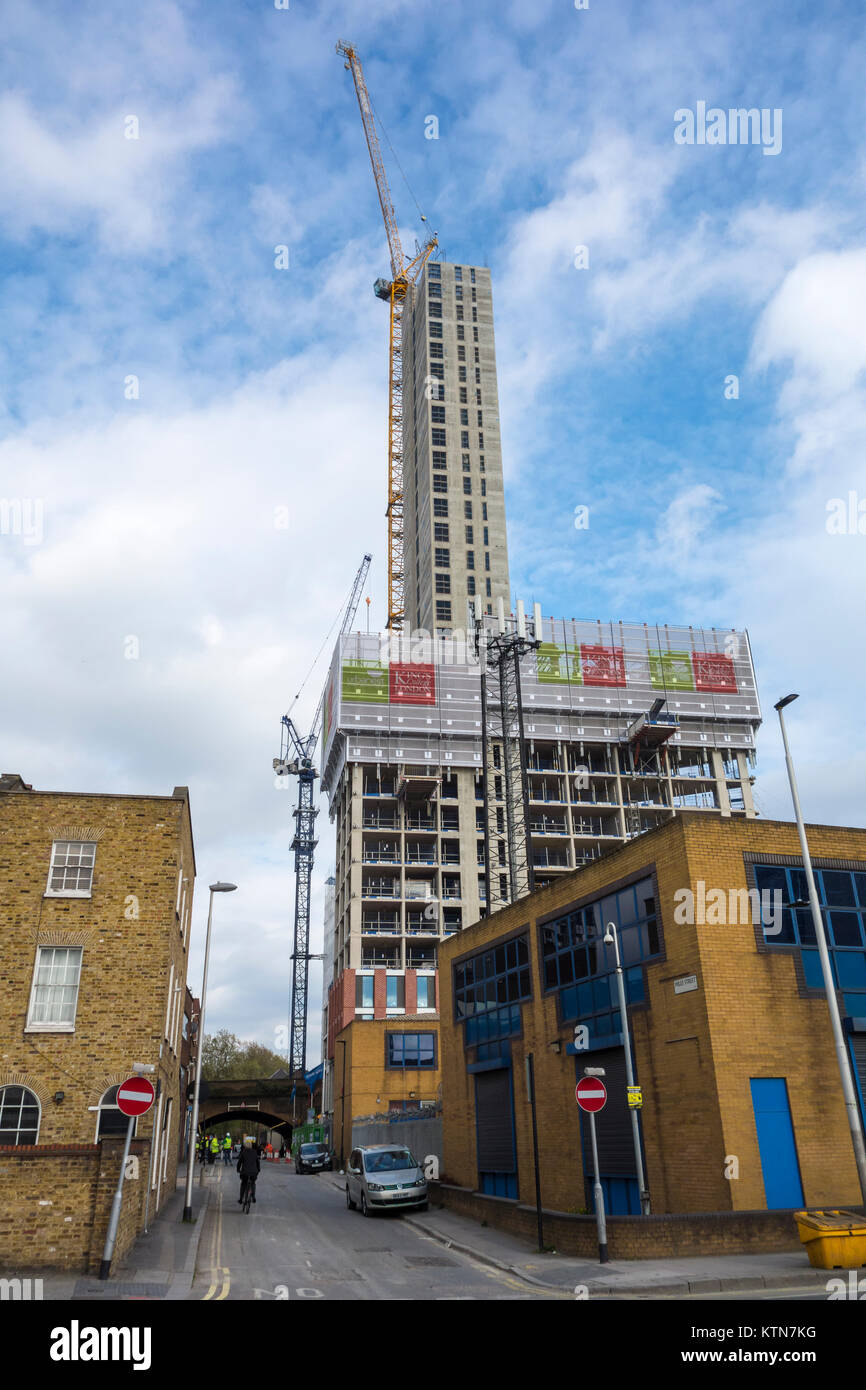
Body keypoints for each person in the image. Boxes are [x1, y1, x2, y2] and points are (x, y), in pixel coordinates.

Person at [237, 1138, 261, 1204]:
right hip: (254, 1172)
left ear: (245, 1146)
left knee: (243, 1184)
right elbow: (257, 1162)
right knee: (253, 1183)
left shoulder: (243, 1152)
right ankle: (253, 1196)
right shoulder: (254, 1152)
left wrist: (238, 1169)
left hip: (244, 1172)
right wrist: (258, 1169)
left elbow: (239, 1163)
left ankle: (241, 1199)